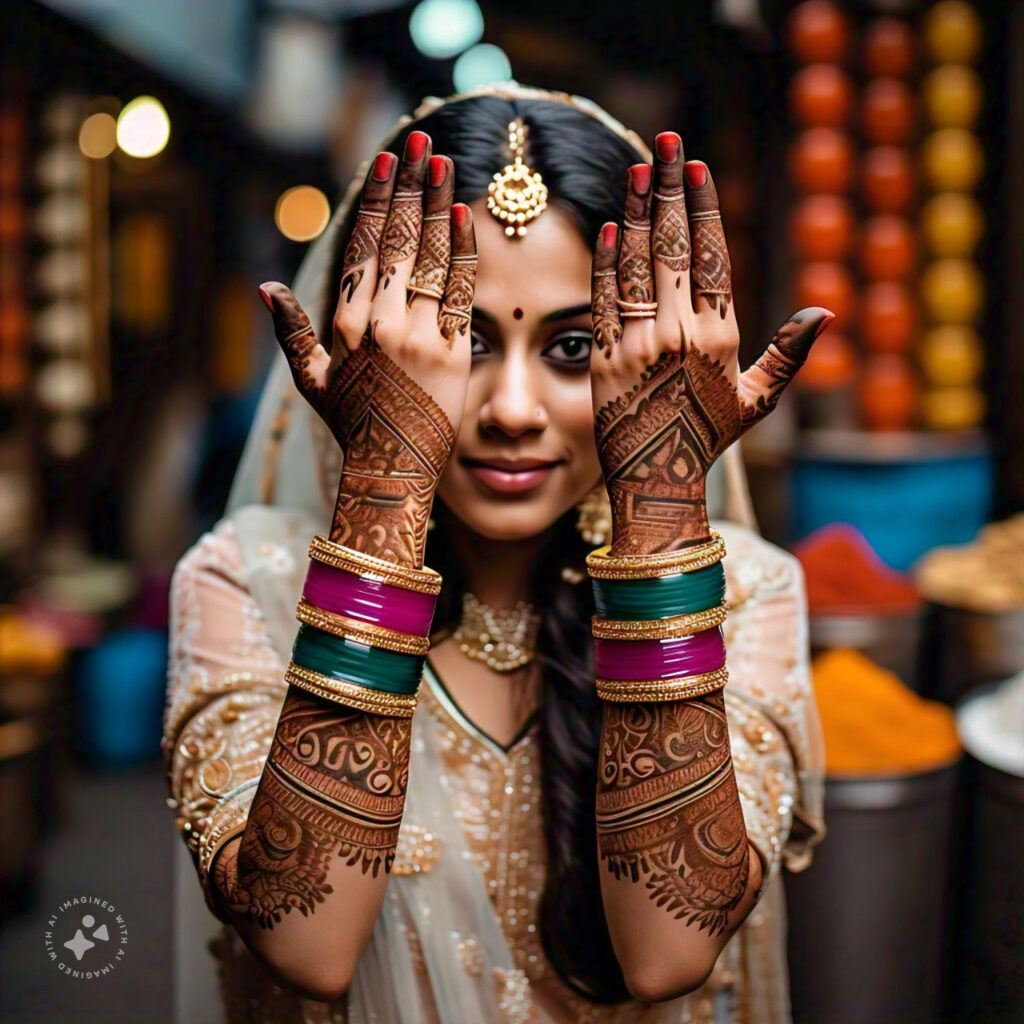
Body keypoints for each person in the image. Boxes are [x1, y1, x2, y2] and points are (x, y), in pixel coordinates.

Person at [164, 84, 828, 1024]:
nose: (513, 411)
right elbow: (303, 943)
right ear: (363, 336)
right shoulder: (249, 579)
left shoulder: (746, 591)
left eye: (575, 346)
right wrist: (386, 483)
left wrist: (663, 501)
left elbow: (670, 953)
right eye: (460, 338)